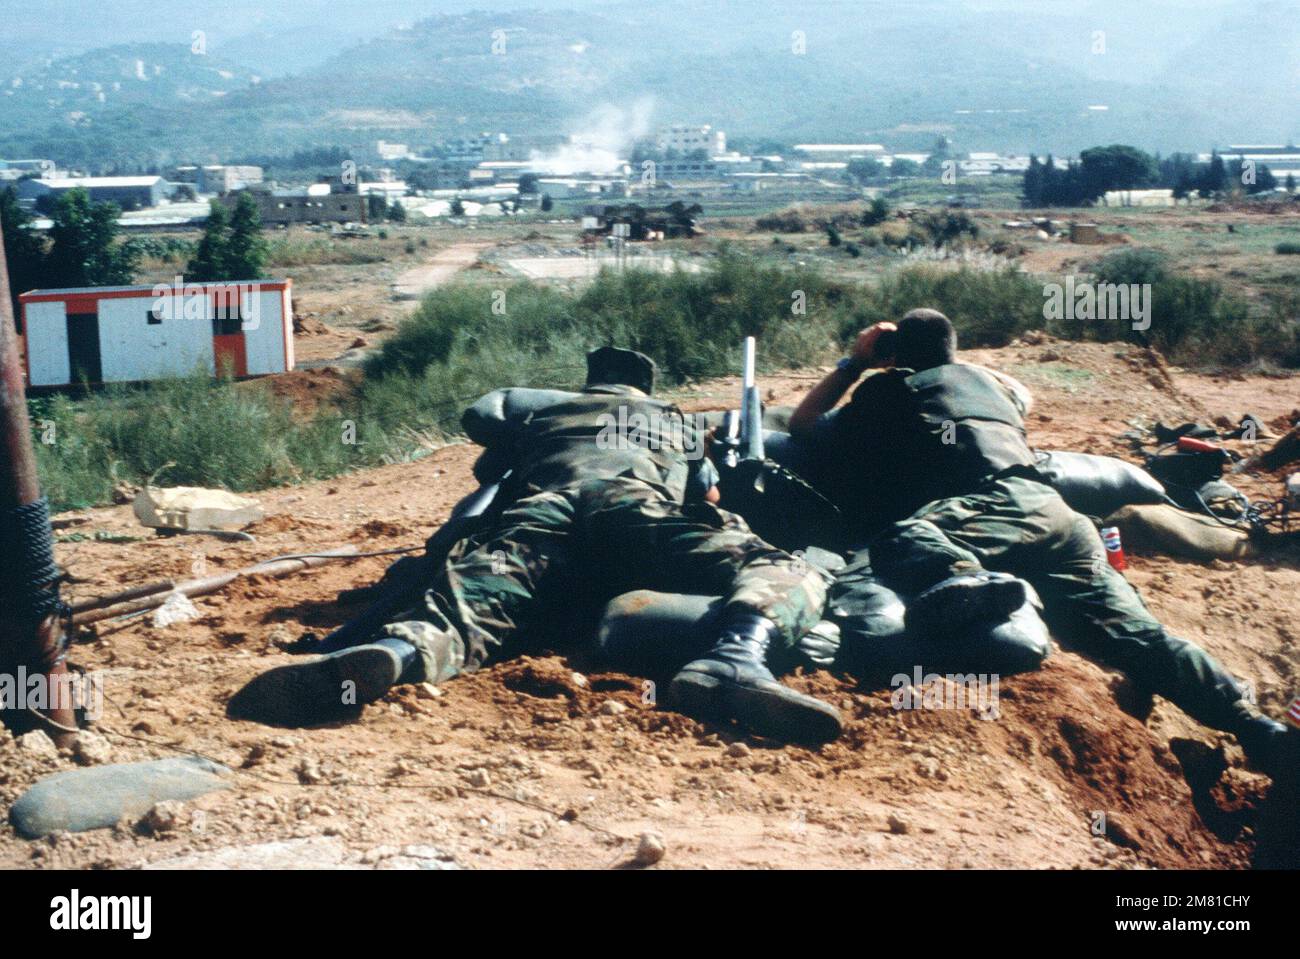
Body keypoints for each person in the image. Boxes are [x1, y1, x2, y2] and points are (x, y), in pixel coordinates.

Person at [232, 347, 841, 744]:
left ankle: (400, 651)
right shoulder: (674, 421)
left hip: (545, 506)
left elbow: (482, 433)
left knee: (470, 598)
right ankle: (737, 656)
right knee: (780, 566)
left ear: (589, 381)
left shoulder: (543, 416)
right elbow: (704, 499)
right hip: (632, 507)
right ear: (644, 387)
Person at [788, 309, 1294, 773]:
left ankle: (969, 579)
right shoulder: (992, 389)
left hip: (992, 506)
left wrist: (854, 363)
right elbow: (1012, 388)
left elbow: (802, 425)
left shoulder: (892, 391)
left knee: (900, 539)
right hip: (1058, 515)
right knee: (1138, 633)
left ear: (895, 356)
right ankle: (1256, 727)